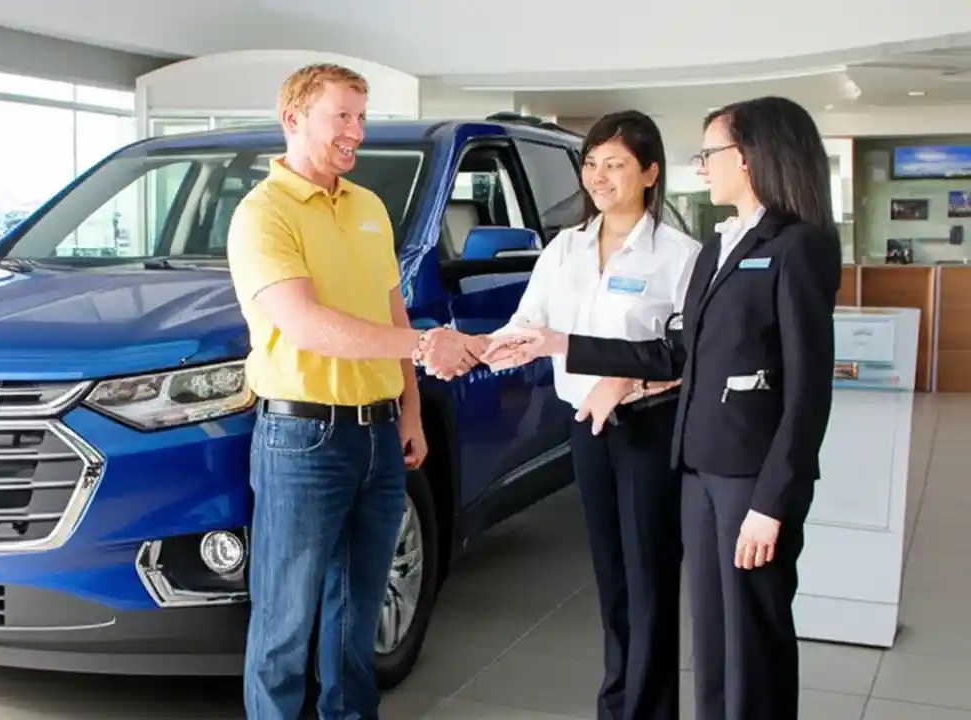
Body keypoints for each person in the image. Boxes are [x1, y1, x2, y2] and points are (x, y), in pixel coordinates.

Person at [485, 96, 841, 719]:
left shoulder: (793, 246)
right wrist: (512, 348)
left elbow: (806, 390)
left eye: (712, 152)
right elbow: (677, 352)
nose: (702, 165)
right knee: (712, 637)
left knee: (751, 637)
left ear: (753, 156)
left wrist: (772, 501)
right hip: (697, 463)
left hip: (743, 470)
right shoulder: (722, 244)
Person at [225, 62, 487, 719]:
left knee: (356, 620)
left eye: (361, 117)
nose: (356, 132)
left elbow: (390, 308)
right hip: (303, 439)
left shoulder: (367, 207)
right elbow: (308, 324)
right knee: (285, 625)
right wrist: (426, 347)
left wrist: (410, 407)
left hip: (377, 437)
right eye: (342, 116)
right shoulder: (263, 215)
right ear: (294, 119)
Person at [486, 110, 700, 720]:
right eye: (591, 164)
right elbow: (529, 324)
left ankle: (649, 709)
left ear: (651, 172)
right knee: (612, 580)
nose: (599, 177)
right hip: (587, 426)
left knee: (650, 580)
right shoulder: (565, 247)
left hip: (650, 427)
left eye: (616, 165)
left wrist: (626, 376)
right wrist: (472, 350)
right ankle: (616, 707)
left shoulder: (679, 257)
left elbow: (690, 352)